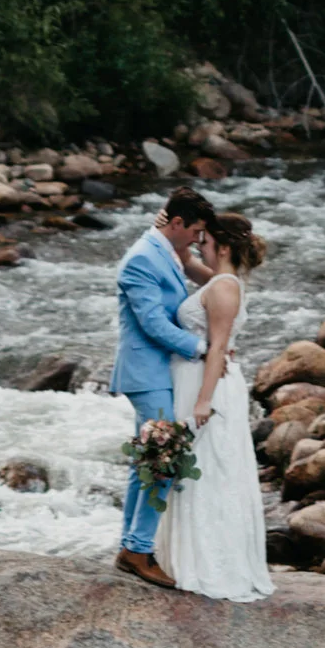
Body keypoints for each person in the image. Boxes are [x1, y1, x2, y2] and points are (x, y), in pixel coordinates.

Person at [154, 209, 273, 602]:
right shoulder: (221, 280)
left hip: (211, 388)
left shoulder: (223, 287)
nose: (197, 246)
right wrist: (164, 229)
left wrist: (203, 401)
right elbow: (185, 263)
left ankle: (211, 564)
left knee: (209, 471)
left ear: (221, 247)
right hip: (200, 381)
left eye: (203, 240)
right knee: (202, 468)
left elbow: (218, 346)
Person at [111, 184, 218, 587]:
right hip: (146, 373)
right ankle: (138, 550)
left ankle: (131, 546)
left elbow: (200, 274)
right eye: (195, 232)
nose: (198, 240)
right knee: (163, 457)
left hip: (159, 371)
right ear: (176, 223)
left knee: (148, 459)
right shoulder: (140, 259)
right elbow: (153, 325)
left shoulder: (162, 249)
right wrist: (204, 349)